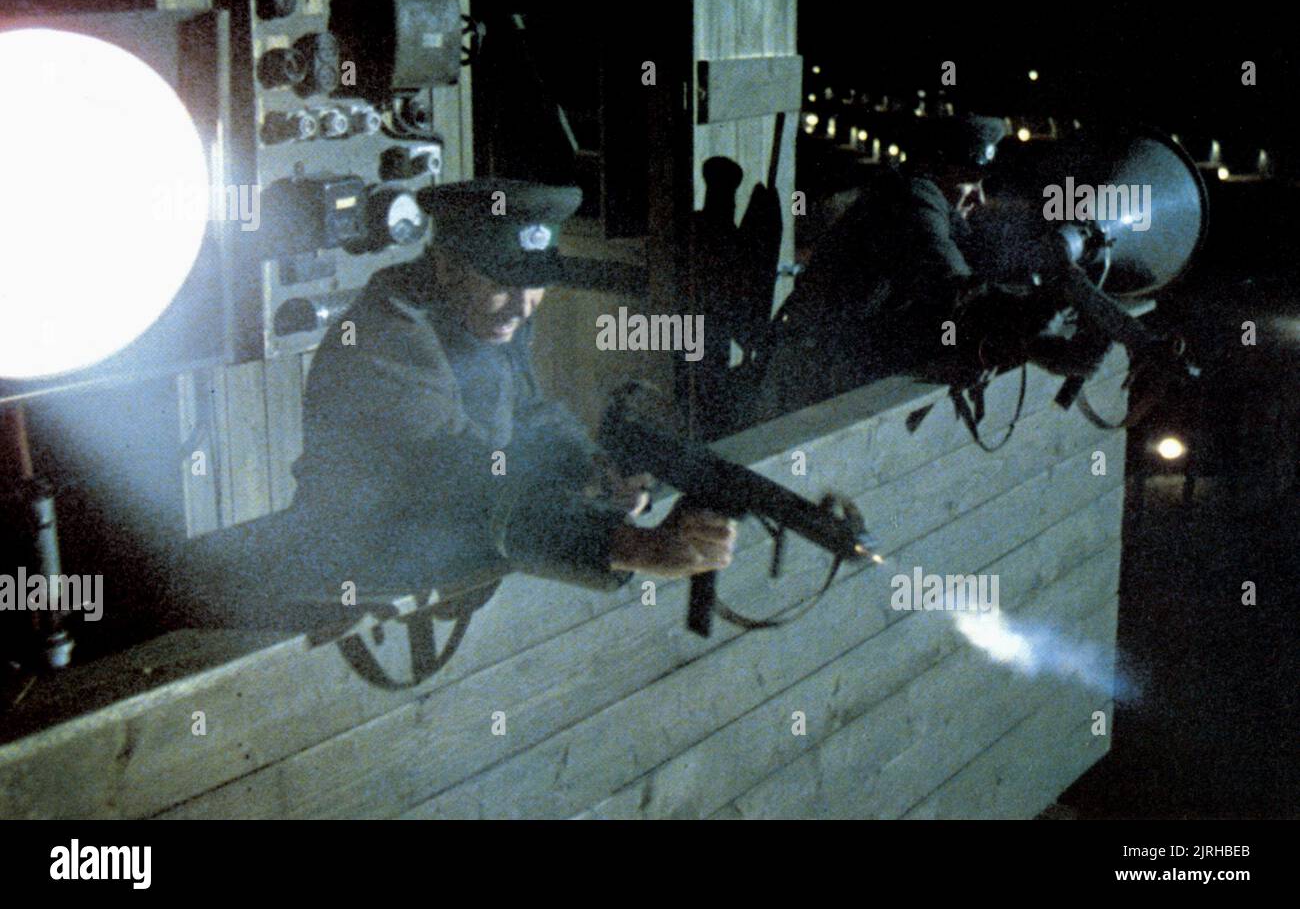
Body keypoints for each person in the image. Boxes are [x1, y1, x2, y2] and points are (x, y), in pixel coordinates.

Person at [176, 179, 735, 629]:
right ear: (446, 266)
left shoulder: (489, 314)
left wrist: (598, 471)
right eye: (504, 284)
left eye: (536, 283)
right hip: (347, 581)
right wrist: (622, 543)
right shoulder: (383, 337)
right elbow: (460, 478)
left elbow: (530, 416)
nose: (523, 306)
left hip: (439, 576)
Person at [751, 114, 1108, 421]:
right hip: (810, 383)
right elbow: (956, 290)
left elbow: (980, 274)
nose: (979, 198)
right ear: (934, 167)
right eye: (970, 181)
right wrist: (1034, 335)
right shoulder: (912, 199)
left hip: (828, 369)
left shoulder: (933, 204)